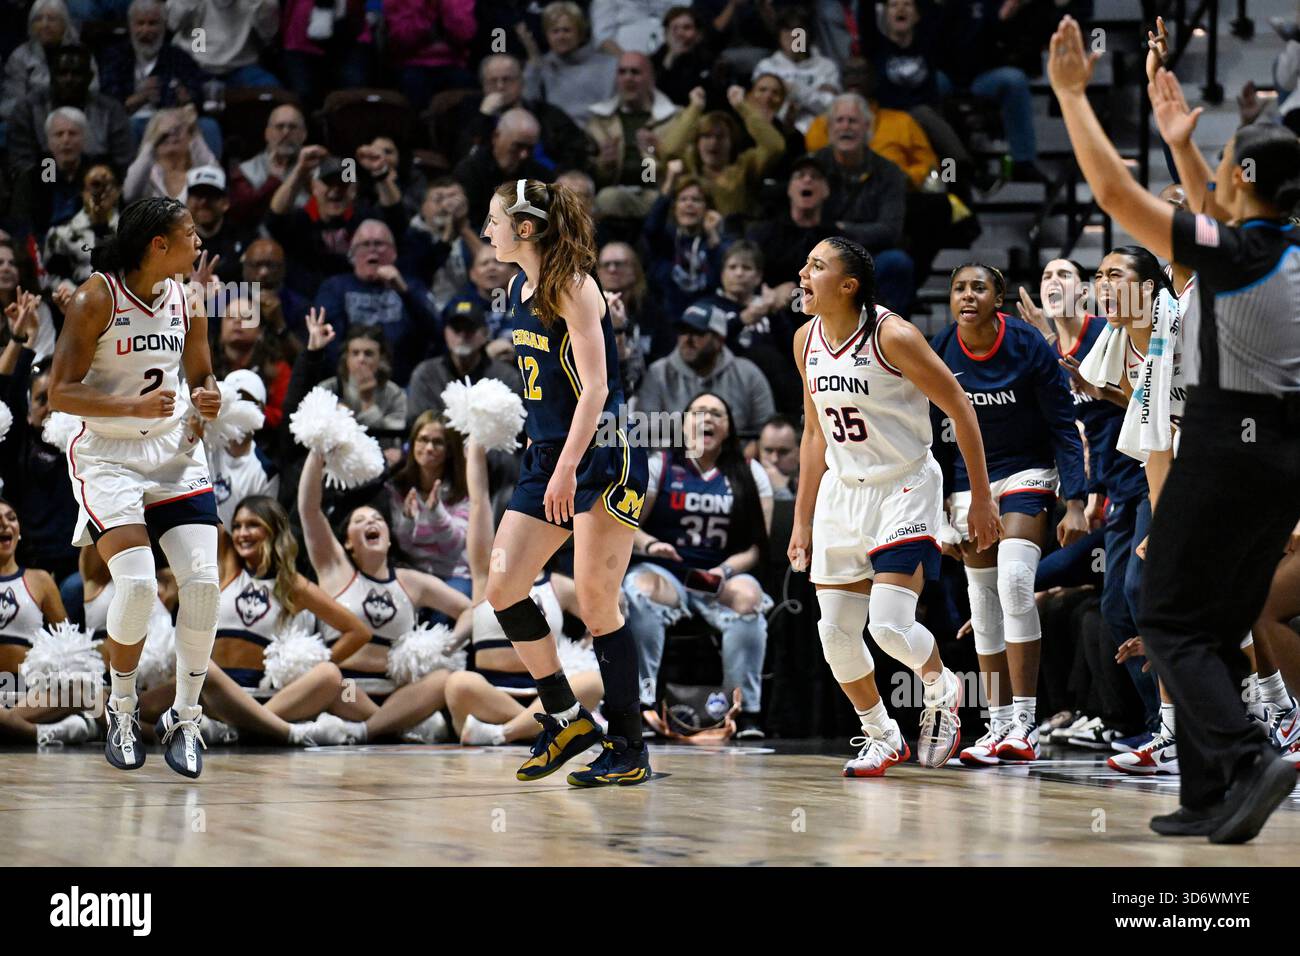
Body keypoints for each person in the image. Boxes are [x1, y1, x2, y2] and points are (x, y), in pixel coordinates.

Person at [1051, 15, 1300, 841]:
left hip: (1226, 450)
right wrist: (1182, 140)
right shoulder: (1283, 247)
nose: (1216, 174)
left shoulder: (1234, 253)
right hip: (1284, 462)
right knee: (1217, 626)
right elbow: (1220, 217)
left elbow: (1119, 197)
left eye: (1226, 164)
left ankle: (1243, 756)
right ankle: (1206, 796)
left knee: (1163, 621)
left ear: (1243, 177)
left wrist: (1071, 96)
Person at [788, 237, 1001, 776]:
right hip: (843, 490)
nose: (803, 273)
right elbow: (814, 434)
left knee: (887, 626)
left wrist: (979, 498)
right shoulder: (804, 340)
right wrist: (802, 518)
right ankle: (882, 735)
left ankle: (940, 683)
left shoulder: (893, 336)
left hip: (904, 485)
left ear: (847, 285)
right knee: (835, 636)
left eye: (817, 266)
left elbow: (959, 407)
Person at [482, 177, 652, 786]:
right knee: (502, 585)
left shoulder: (577, 287)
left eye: (495, 219)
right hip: (549, 452)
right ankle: (567, 718)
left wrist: (566, 468)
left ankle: (631, 749)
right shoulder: (518, 284)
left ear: (526, 228)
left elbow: (599, 389)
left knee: (597, 602)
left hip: (602, 455)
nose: (487, 230)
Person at [48, 197, 224, 778]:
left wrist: (209, 393)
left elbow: (200, 372)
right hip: (109, 456)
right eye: (190, 235)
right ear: (158, 245)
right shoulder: (94, 298)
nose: (198, 244)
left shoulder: (189, 297)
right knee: (140, 585)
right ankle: (121, 709)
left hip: (172, 453)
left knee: (201, 586)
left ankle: (185, 716)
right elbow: (59, 393)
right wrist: (130, 404)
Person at [930, 262, 1087, 767]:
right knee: (982, 602)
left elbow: (1064, 423)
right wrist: (936, 514)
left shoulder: (1027, 346)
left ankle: (1024, 723)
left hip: (1027, 470)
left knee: (1017, 582)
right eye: (959, 288)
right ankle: (996, 725)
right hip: (965, 483)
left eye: (979, 287)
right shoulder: (939, 348)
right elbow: (926, 438)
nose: (967, 295)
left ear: (998, 298)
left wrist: (1078, 500)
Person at [297, 446, 471, 744]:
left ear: (389, 539)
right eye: (360, 520)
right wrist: (317, 451)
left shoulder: (411, 581)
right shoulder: (335, 569)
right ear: (348, 542)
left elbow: (470, 610)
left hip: (397, 694)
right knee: (331, 679)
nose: (372, 523)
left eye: (377, 519)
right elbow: (309, 510)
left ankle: (368, 730)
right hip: (349, 689)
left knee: (442, 679)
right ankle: (393, 728)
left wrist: (445, 647)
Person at [625, 391, 773, 737]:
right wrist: (651, 544)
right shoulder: (660, 464)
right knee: (640, 590)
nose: (707, 418)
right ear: (683, 422)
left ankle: (745, 710)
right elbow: (627, 526)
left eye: (717, 414)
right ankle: (641, 704)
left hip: (716, 575)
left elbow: (757, 546)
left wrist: (725, 571)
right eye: (699, 412)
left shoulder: (750, 472)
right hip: (667, 572)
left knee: (749, 598)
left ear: (728, 428)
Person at [445, 439, 604, 745]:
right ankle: (549, 728)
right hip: (490, 694)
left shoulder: (557, 585)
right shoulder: (487, 572)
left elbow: (611, 606)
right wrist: (477, 444)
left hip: (545, 693)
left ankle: (502, 734)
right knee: (457, 683)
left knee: (592, 682)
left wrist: (585, 648)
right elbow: (478, 501)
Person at [0, 498, 94, 746]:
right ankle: (41, 733)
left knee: (80, 691)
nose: (4, 526)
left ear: (19, 531)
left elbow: (70, 644)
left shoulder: (39, 580)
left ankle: (11, 725)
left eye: (11, 518)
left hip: (29, 694)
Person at [812, 94, 914, 315]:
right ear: (829, 128)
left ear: (867, 127)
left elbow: (890, 230)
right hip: (821, 256)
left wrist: (840, 230)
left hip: (871, 257)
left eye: (852, 121)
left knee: (898, 263)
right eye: (839, 120)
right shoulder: (813, 167)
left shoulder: (889, 172)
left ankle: (886, 338)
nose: (845, 127)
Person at [312, 219, 441, 385]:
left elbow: (435, 330)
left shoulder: (410, 285)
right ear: (352, 255)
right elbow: (328, 340)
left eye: (379, 244)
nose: (372, 249)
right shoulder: (335, 287)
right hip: (348, 382)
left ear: (393, 253)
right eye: (365, 244)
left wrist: (404, 292)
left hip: (402, 381)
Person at [635, 301, 776, 442]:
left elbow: (767, 428)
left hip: (735, 460)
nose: (687, 340)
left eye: (698, 332)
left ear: (719, 340)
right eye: (683, 331)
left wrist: (753, 448)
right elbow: (644, 429)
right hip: (674, 460)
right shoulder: (658, 373)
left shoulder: (747, 374)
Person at [655, 84, 785, 217]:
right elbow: (668, 151)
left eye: (721, 136)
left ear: (731, 142)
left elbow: (775, 147)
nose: (713, 143)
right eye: (706, 136)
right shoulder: (688, 166)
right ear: (697, 142)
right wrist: (694, 109)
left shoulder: (746, 165)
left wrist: (742, 107)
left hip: (735, 234)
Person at [7, 44, 132, 175]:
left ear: (89, 78)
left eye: (76, 74)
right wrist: (54, 181)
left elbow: (122, 162)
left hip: (96, 182)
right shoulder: (28, 108)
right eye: (62, 73)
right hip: (43, 183)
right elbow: (21, 162)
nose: (69, 79)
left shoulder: (110, 110)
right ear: (51, 76)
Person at [586, 52, 681, 220]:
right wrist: (604, 165)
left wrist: (653, 153)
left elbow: (656, 176)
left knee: (659, 203)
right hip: (614, 191)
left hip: (656, 190)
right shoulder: (599, 122)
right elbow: (593, 175)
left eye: (635, 72)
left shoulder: (672, 119)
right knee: (607, 197)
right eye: (622, 72)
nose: (628, 78)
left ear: (651, 78)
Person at [385, 411, 472, 590]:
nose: (429, 448)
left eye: (438, 442)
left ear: (449, 450)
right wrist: (407, 521)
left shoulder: (462, 488)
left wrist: (436, 513)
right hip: (414, 572)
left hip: (452, 573)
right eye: (423, 439)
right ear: (413, 443)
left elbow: (453, 547)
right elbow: (404, 547)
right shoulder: (397, 486)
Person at [406, 303, 524, 424]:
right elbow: (417, 425)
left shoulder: (505, 377)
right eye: (456, 329)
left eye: (469, 329)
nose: (462, 335)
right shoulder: (426, 374)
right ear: (445, 333)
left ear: (485, 334)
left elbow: (514, 425)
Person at [522, 1, 618, 129]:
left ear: (580, 33)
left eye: (566, 30)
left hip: (599, 133)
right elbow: (528, 104)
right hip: (556, 137)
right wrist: (533, 61)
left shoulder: (608, 65)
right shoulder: (542, 66)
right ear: (547, 36)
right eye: (555, 31)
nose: (561, 36)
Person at [750, 6, 840, 135]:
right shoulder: (766, 67)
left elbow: (832, 108)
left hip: (818, 135)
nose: (793, 36)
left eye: (798, 30)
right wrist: (815, 95)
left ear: (808, 34)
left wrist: (794, 90)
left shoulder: (826, 67)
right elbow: (761, 107)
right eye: (787, 30)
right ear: (779, 35)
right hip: (775, 134)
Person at [208, 370, 279, 528]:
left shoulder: (265, 472)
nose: (240, 409)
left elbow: (260, 528)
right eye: (235, 400)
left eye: (248, 402)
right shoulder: (206, 447)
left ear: (261, 410)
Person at [44, 163, 122, 293]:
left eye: (108, 185)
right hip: (76, 301)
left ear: (118, 191)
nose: (102, 191)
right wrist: (78, 296)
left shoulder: (133, 233)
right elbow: (52, 277)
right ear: (84, 192)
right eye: (96, 185)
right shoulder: (61, 234)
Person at [227, 105, 309, 227]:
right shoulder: (245, 171)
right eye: (279, 127)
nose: (286, 132)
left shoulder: (316, 170)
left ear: (303, 134)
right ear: (267, 133)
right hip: (259, 240)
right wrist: (271, 182)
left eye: (292, 127)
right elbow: (242, 215)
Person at [122, 105, 217, 203]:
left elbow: (215, 177)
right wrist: (153, 142)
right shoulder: (146, 172)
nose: (171, 135)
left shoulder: (198, 167)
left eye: (177, 130)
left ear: (189, 137)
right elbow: (129, 194)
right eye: (164, 134)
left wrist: (194, 131)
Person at [757, 414, 800, 500]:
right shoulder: (745, 484)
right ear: (758, 450)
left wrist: (781, 490)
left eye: (783, 452)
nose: (774, 459)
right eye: (768, 451)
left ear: (799, 453)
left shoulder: (813, 486)